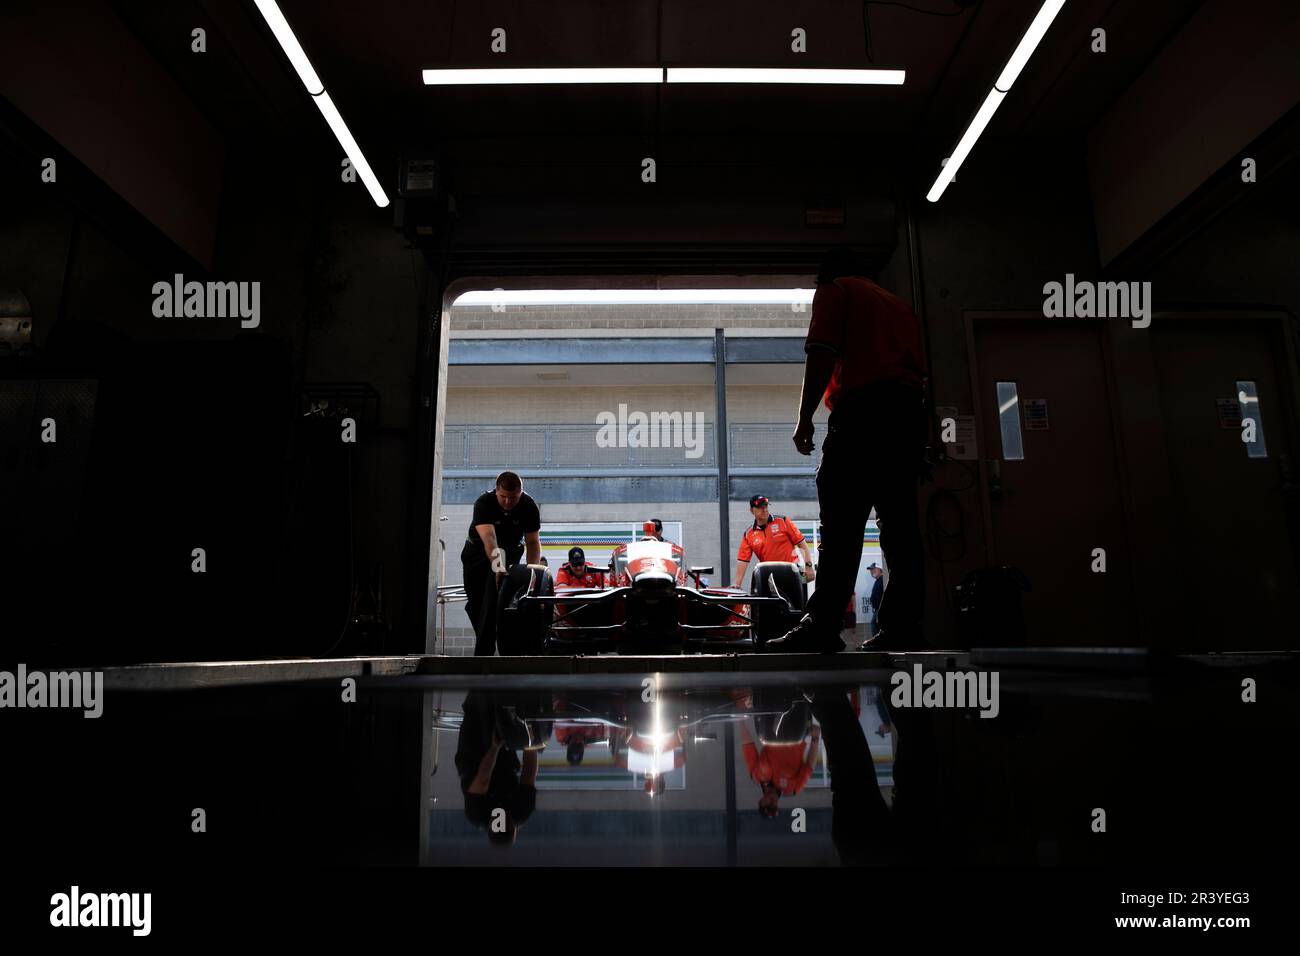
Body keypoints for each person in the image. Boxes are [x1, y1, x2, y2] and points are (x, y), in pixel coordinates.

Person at [768, 246, 928, 653]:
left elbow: (822, 353)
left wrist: (804, 419)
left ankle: (822, 628)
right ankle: (904, 628)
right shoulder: (899, 306)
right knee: (900, 526)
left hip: (863, 414)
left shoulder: (836, 290)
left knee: (841, 524)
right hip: (907, 415)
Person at [460, 471, 542, 656]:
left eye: (513, 498)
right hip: (478, 555)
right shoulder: (484, 503)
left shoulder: (528, 506)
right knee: (476, 606)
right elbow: (490, 539)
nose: (508, 502)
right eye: (503, 497)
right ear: (496, 491)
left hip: (510, 552)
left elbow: (533, 543)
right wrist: (498, 567)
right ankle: (486, 639)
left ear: (521, 492)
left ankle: (487, 652)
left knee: (493, 602)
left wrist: (533, 573)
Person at [732, 494, 816, 588]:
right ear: (752, 511)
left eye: (766, 506)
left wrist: (808, 566)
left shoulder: (783, 521)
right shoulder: (749, 534)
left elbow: (802, 544)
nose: (764, 509)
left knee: (796, 602)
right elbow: (743, 560)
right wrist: (737, 584)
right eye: (760, 507)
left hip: (792, 572)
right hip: (769, 577)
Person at [867, 563, 884, 638]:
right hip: (877, 608)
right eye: (871, 570)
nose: (871, 571)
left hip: (881, 609)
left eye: (873, 569)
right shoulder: (878, 580)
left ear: (880, 569)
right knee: (876, 624)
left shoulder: (883, 579)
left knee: (874, 624)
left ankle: (877, 641)